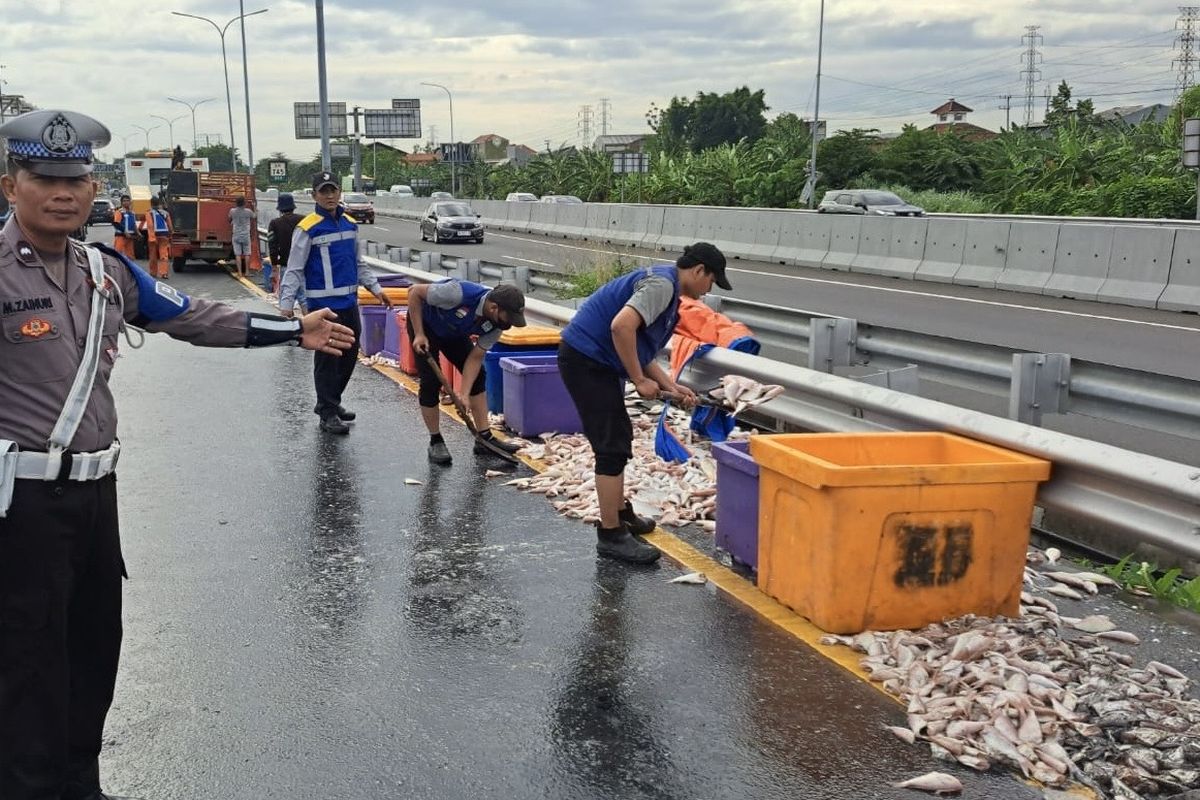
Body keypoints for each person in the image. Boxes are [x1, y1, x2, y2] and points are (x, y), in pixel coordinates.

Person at [0, 108, 356, 800]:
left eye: (75, 178)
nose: (64, 192)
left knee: (94, 650)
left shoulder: (105, 272)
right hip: (23, 504)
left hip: (95, 498)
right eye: (44, 178)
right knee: (26, 664)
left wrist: (291, 330)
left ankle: (81, 782)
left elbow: (193, 315)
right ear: (11, 185)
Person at [557, 242, 732, 564]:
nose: (709, 290)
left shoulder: (666, 287)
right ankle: (610, 535)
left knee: (619, 436)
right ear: (698, 271)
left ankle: (619, 512)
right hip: (586, 361)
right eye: (711, 281)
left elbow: (637, 345)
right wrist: (639, 380)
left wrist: (670, 385)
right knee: (610, 445)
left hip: (596, 361)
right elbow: (620, 326)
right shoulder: (662, 286)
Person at [278, 171, 390, 435]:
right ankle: (327, 411)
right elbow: (294, 268)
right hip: (323, 305)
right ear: (314, 194)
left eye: (333, 190)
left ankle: (331, 401)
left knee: (349, 354)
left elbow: (358, 263)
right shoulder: (308, 227)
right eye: (324, 191)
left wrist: (375, 288)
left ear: (340, 192)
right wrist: (286, 304)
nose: (329, 196)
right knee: (328, 357)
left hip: (349, 302)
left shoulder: (350, 224)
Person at [406, 279, 528, 464]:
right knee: (431, 381)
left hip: (454, 332)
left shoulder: (496, 326)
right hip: (425, 325)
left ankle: (483, 438)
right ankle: (435, 440)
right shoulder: (457, 293)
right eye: (508, 317)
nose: (509, 324)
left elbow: (475, 358)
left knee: (478, 376)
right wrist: (419, 333)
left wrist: (463, 394)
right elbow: (414, 292)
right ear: (494, 307)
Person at [266, 192, 302, 295]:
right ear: (293, 207)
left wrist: (274, 268)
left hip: (286, 265)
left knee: (286, 296)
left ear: (280, 208)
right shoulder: (304, 220)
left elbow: (273, 247)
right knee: (304, 299)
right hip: (303, 265)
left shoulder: (275, 223)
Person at [143, 196, 172, 280]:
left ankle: (153, 273)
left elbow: (150, 225)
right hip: (164, 235)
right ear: (159, 203)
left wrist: (152, 237)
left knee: (153, 255)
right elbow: (170, 226)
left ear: (151, 203)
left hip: (154, 236)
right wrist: (170, 234)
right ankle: (164, 273)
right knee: (164, 255)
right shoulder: (165, 213)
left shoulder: (149, 213)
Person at [228, 195, 255, 278]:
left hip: (236, 234)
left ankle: (239, 273)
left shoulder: (232, 211)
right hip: (246, 235)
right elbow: (254, 216)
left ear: (236, 203)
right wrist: (254, 208)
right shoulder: (248, 211)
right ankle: (247, 272)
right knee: (247, 254)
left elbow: (229, 219)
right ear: (244, 203)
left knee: (238, 254)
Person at [110, 193, 137, 260]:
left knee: (130, 256)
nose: (126, 202)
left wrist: (138, 233)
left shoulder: (132, 213)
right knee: (118, 255)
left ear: (130, 202)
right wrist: (125, 232)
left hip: (130, 237)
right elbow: (116, 224)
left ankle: (129, 269)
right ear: (121, 203)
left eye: (127, 200)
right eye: (124, 201)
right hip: (120, 236)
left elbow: (134, 224)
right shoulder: (119, 212)